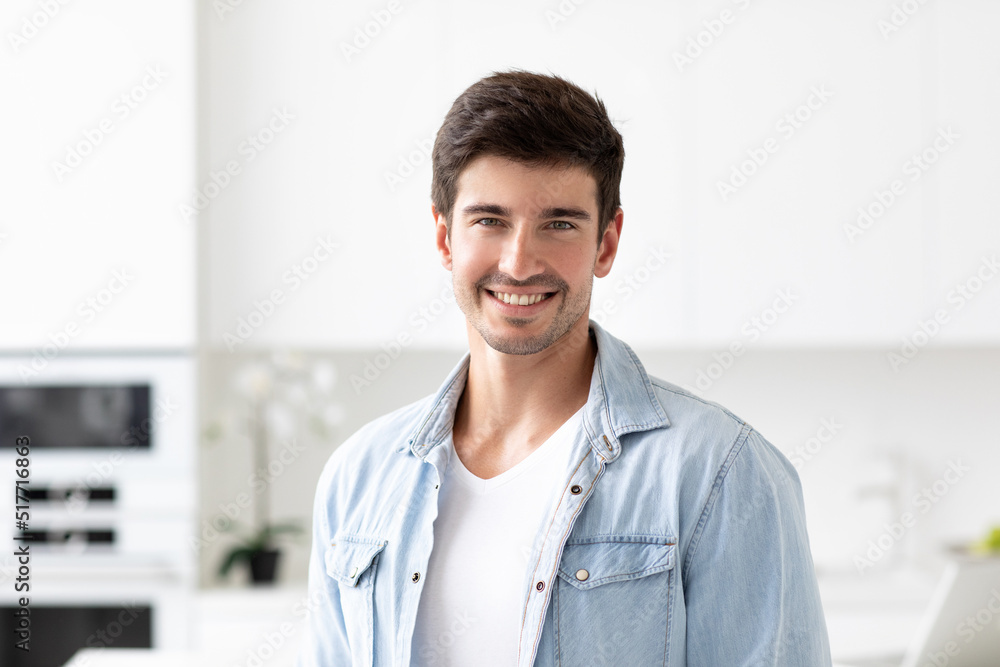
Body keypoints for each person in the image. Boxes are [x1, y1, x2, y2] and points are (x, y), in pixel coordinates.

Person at [298, 70, 832, 666]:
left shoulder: (718, 471)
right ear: (445, 239)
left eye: (559, 224)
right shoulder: (359, 477)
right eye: (490, 220)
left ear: (606, 242)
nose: (519, 263)